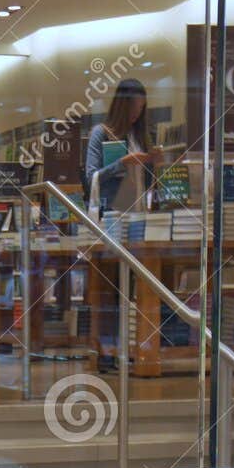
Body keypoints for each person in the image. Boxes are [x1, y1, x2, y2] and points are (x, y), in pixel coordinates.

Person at [84, 78, 158, 370]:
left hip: (139, 218)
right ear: (122, 105)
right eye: (134, 108)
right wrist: (122, 163)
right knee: (110, 287)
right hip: (112, 219)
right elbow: (91, 177)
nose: (137, 115)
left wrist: (155, 163)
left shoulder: (141, 137)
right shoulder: (101, 134)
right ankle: (106, 351)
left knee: (137, 288)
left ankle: (133, 349)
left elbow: (147, 183)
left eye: (141, 109)